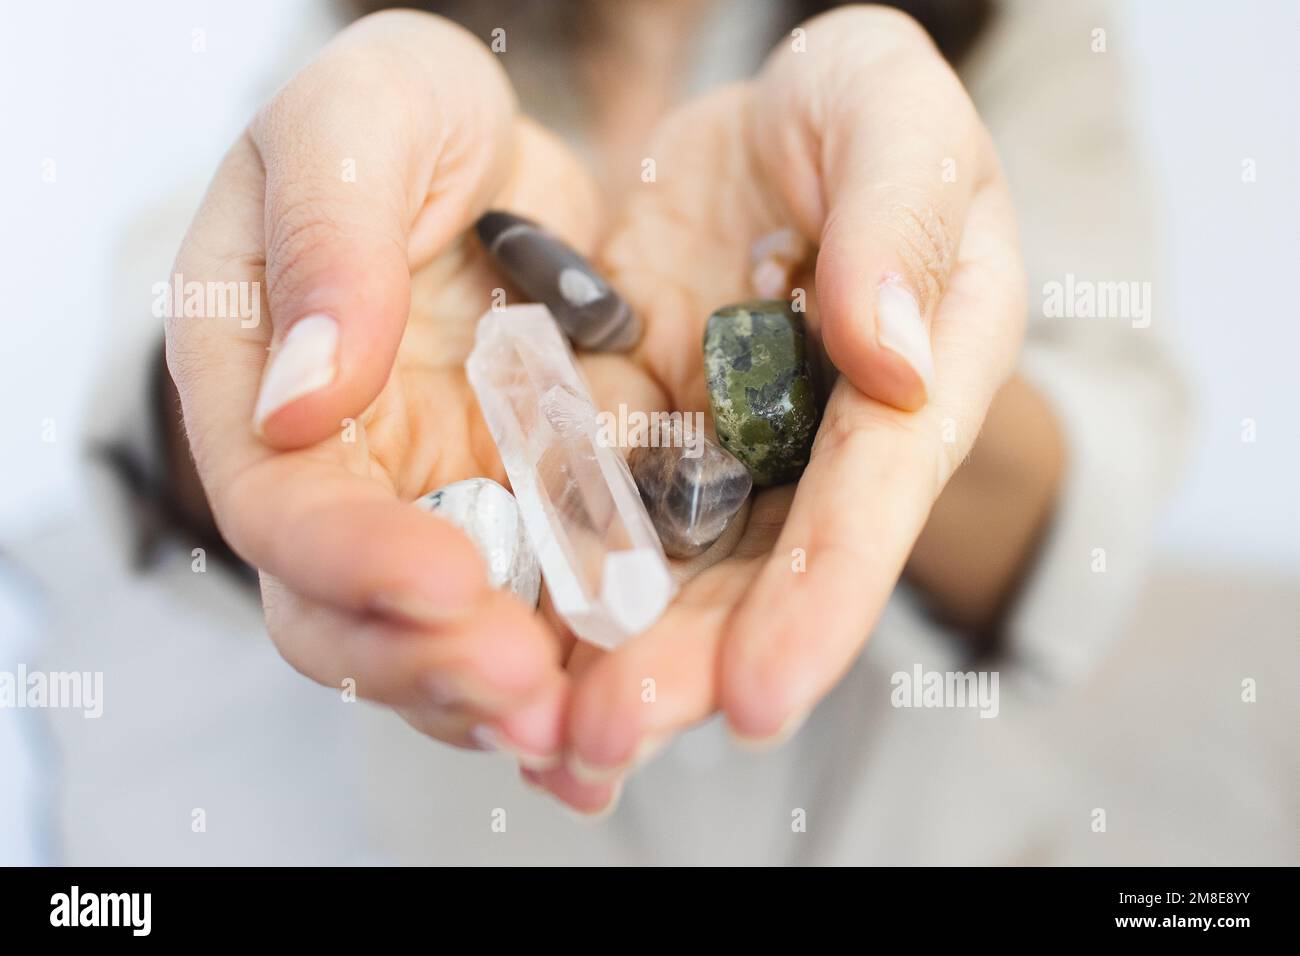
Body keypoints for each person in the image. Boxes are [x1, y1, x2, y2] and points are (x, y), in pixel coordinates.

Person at [27, 0, 1188, 864]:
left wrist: (882, 345)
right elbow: (165, 357)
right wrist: (301, 354)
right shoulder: (382, 28)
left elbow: (1102, 488)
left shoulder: (1023, 32)